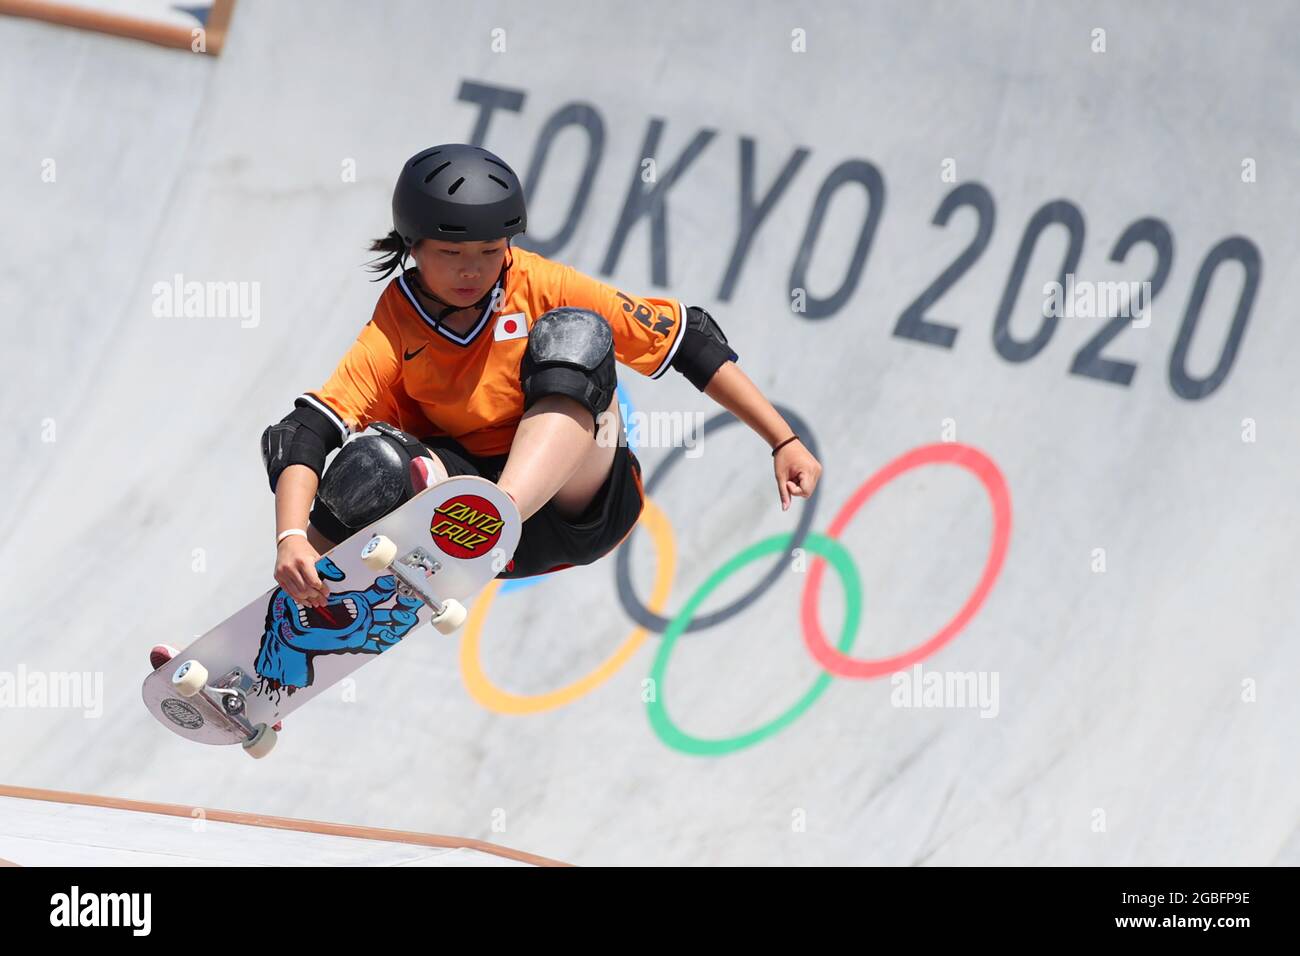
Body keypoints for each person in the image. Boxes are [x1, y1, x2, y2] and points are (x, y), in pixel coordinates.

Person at [152, 143, 821, 685]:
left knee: (576, 336)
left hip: (579, 499)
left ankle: (492, 514)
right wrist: (289, 538)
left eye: (487, 252)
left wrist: (781, 438)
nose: (472, 271)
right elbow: (307, 431)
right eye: (451, 255)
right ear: (412, 246)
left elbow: (690, 343)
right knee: (370, 465)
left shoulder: (541, 283)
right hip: (466, 515)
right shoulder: (396, 323)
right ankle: (250, 660)